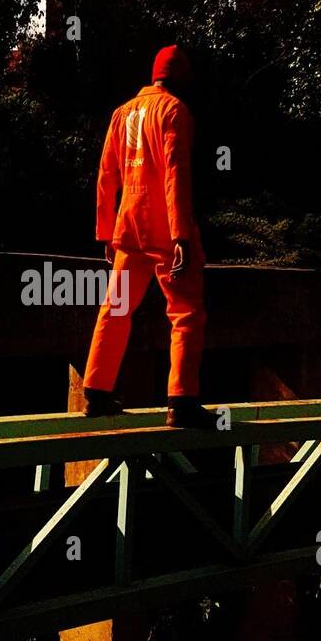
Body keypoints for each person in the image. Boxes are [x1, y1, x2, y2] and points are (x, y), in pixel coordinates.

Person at [82, 44, 215, 429]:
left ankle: (96, 392)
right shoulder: (175, 110)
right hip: (164, 229)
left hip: (128, 227)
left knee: (116, 307)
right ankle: (181, 401)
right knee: (186, 313)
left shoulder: (122, 113)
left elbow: (107, 175)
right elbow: (176, 174)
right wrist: (181, 236)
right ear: (180, 80)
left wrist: (105, 231)